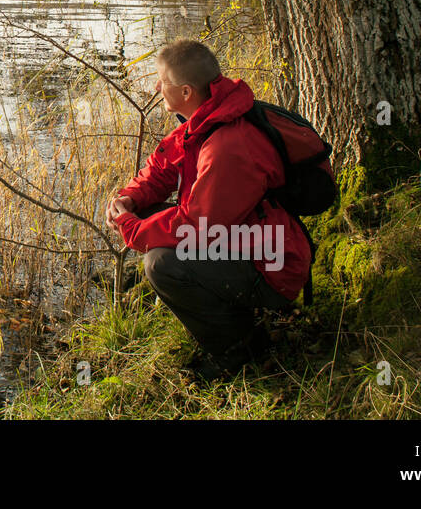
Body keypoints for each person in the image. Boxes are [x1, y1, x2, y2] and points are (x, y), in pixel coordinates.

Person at [105, 39, 310, 380]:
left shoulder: (227, 147)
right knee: (150, 215)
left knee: (162, 264)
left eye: (162, 81)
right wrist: (130, 200)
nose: (157, 87)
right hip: (246, 240)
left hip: (274, 267)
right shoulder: (207, 119)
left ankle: (240, 350)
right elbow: (161, 168)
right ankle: (225, 319)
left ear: (186, 92)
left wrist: (131, 229)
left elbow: (194, 227)